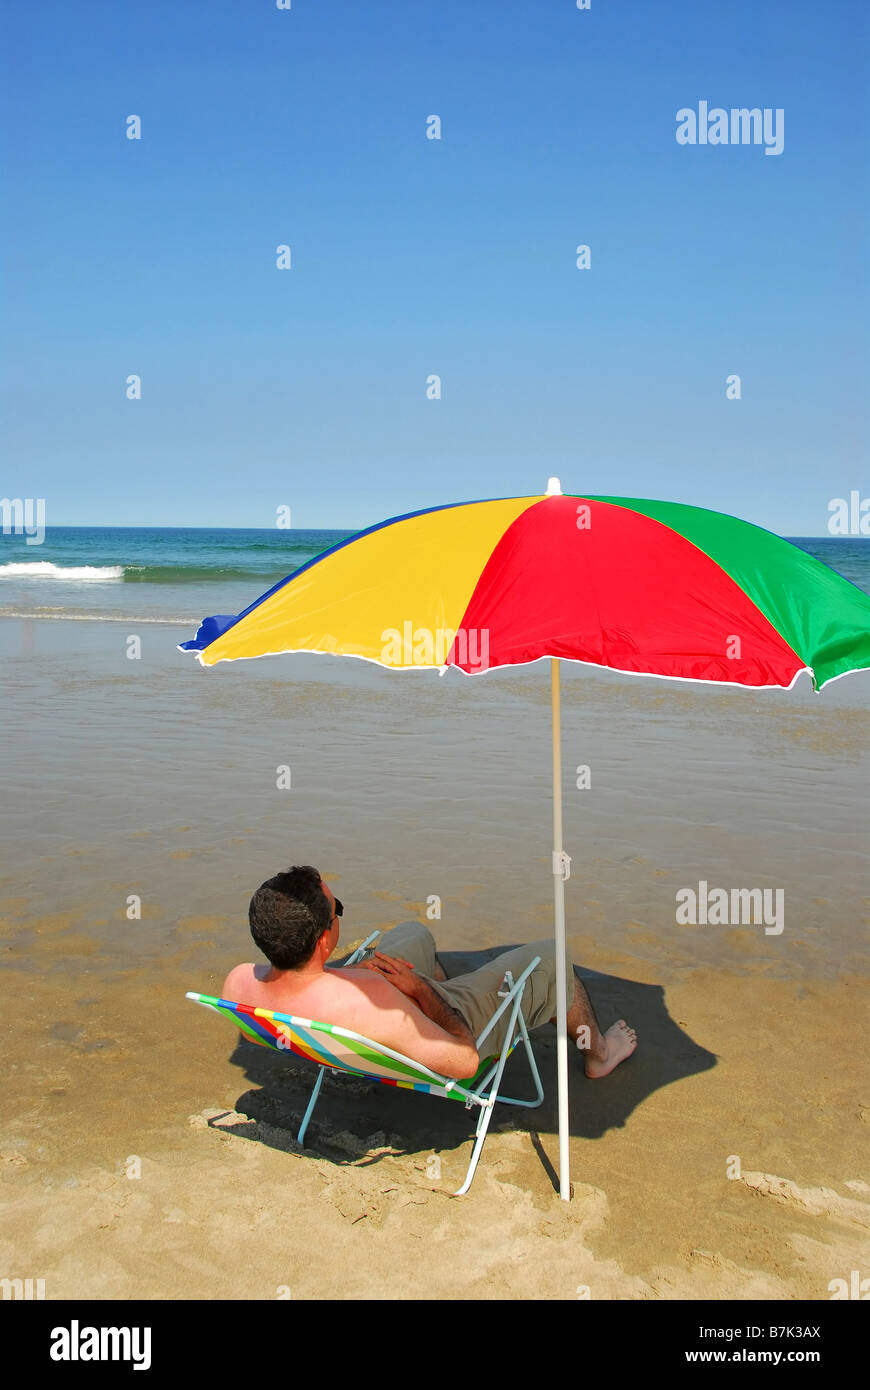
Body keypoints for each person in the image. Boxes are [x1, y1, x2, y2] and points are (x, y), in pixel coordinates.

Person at [222, 864, 637, 1081]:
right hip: (440, 1018)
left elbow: (305, 983)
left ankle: (436, 979)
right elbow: (464, 1060)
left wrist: (341, 973)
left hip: (346, 997)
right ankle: (599, 1054)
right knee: (552, 956)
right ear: (322, 943)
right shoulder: (376, 1008)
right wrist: (423, 991)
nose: (339, 915)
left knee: (412, 933)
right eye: (337, 911)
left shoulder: (239, 981)